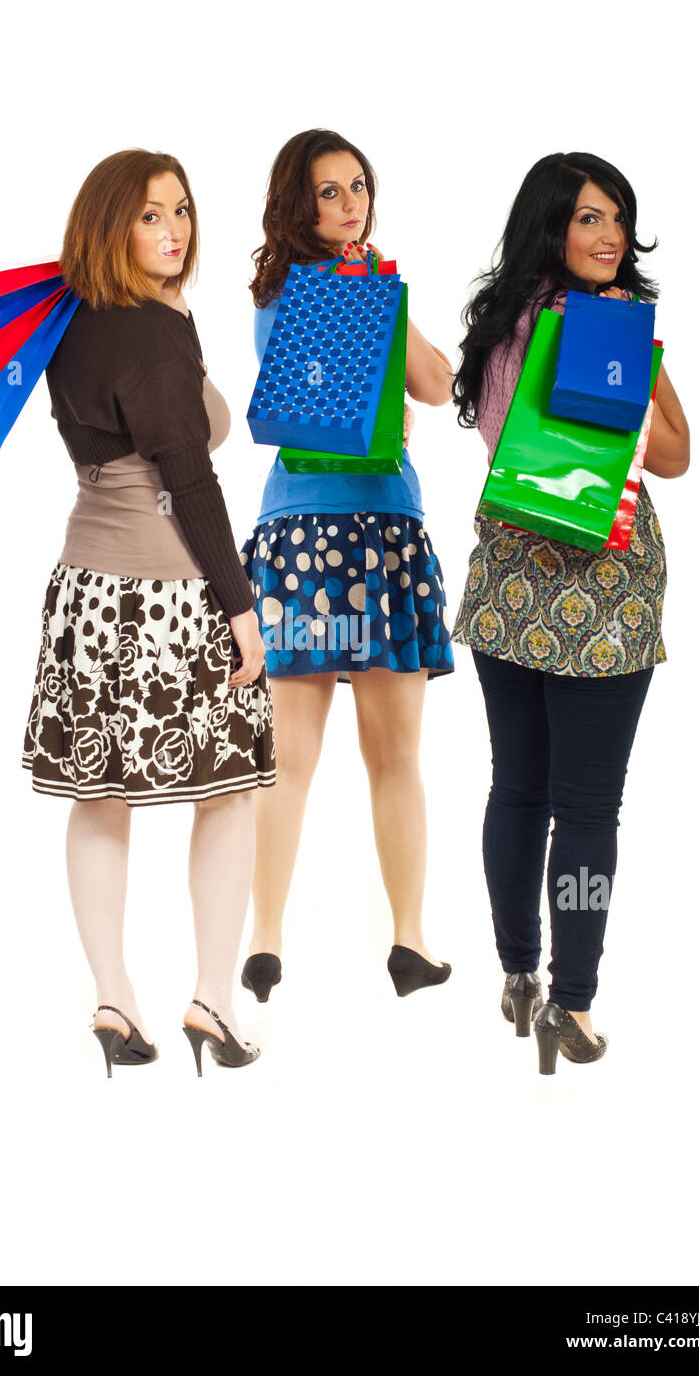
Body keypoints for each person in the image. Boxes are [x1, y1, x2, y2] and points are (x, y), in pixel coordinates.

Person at [21, 149, 275, 1078]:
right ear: (109, 225)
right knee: (231, 789)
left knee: (100, 794)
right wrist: (239, 608)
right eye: (151, 216)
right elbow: (191, 480)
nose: (175, 232)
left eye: (182, 213)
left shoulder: (67, 322)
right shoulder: (157, 334)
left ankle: (111, 996)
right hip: (173, 595)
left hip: (85, 591)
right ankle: (214, 995)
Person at [451, 152, 690, 1074]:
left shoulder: (503, 324)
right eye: (588, 218)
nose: (609, 236)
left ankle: (517, 974)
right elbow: (670, 457)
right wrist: (644, 359)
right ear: (552, 225)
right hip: (601, 590)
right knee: (588, 809)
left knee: (518, 788)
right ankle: (574, 1002)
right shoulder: (600, 325)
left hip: (508, 583)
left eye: (618, 218)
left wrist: (646, 357)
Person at [238, 129, 456, 1003]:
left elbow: (425, 387)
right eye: (328, 191)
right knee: (394, 757)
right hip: (381, 535)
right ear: (298, 203)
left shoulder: (271, 298)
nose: (350, 201)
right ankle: (408, 939)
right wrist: (385, 297)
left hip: (297, 543)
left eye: (357, 185)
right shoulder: (348, 291)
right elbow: (431, 386)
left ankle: (265, 940)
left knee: (289, 759)